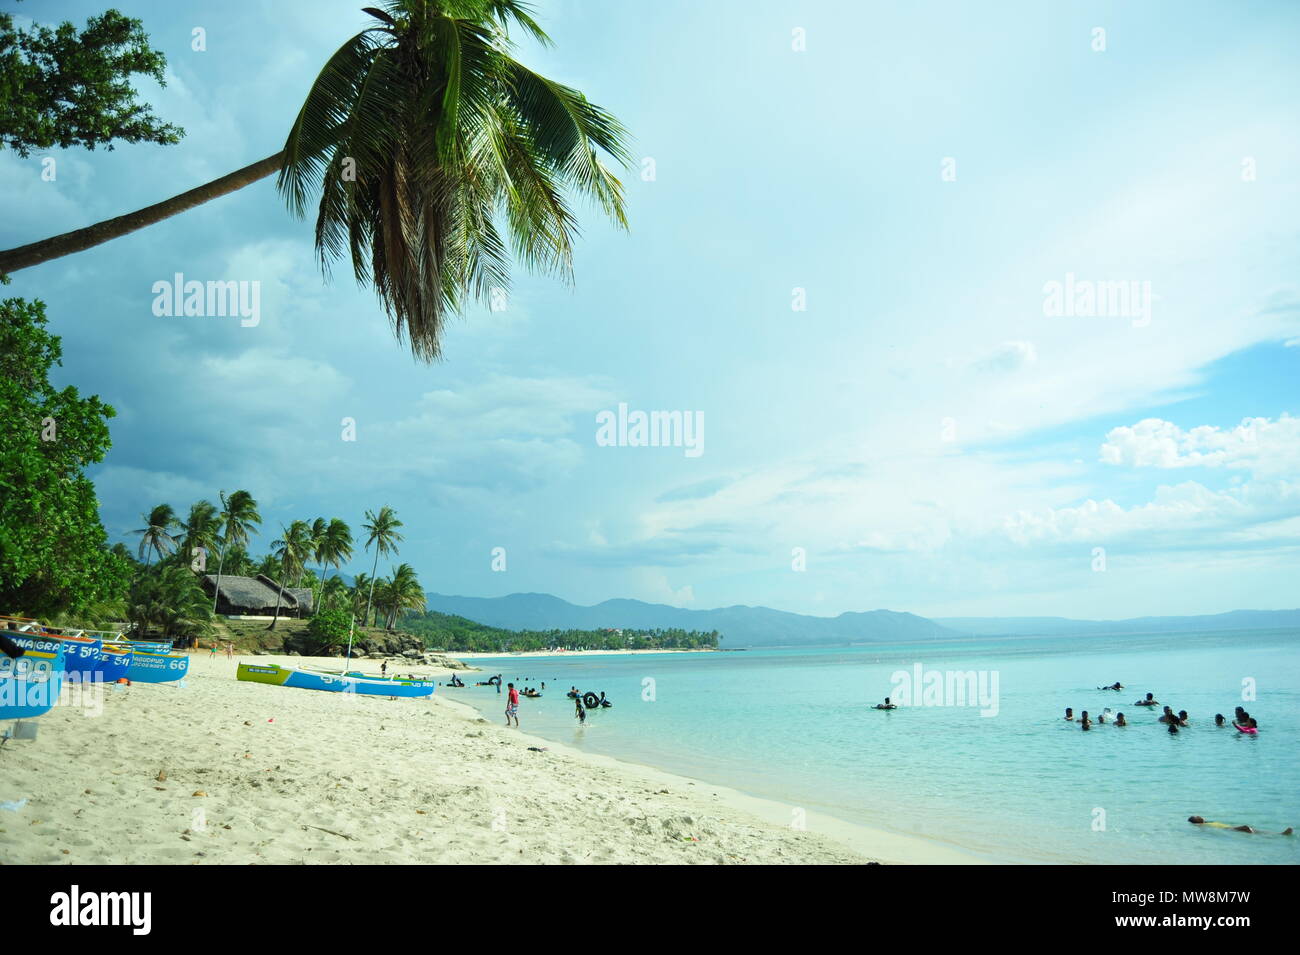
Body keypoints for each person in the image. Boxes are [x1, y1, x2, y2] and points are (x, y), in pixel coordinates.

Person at [1188, 816, 1292, 835]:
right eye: (1196, 816)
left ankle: (1280, 834)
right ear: (1196, 821)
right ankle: (1244, 828)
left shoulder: (1206, 822)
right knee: (1247, 829)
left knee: (1256, 831)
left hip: (1229, 827)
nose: (1199, 815)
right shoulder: (1200, 826)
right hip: (1228, 829)